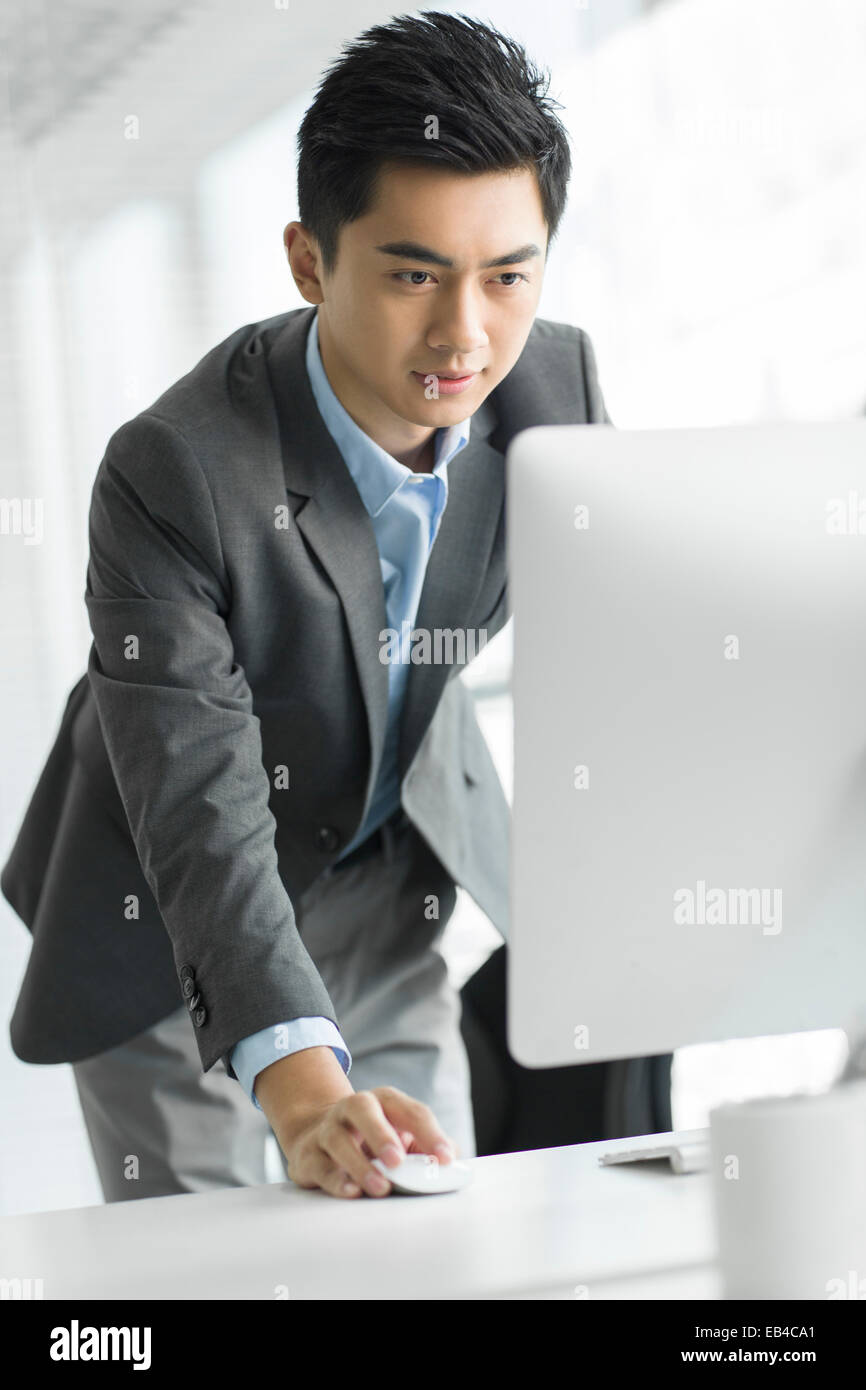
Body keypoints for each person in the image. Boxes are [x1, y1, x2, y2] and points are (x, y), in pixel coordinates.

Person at [1, 10, 610, 1203]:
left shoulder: (552, 389)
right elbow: (194, 791)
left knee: (426, 1252)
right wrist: (304, 1088)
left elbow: (630, 650)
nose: (463, 334)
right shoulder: (175, 468)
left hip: (383, 896)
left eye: (507, 276)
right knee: (213, 1277)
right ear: (308, 260)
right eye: (410, 274)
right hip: (170, 921)